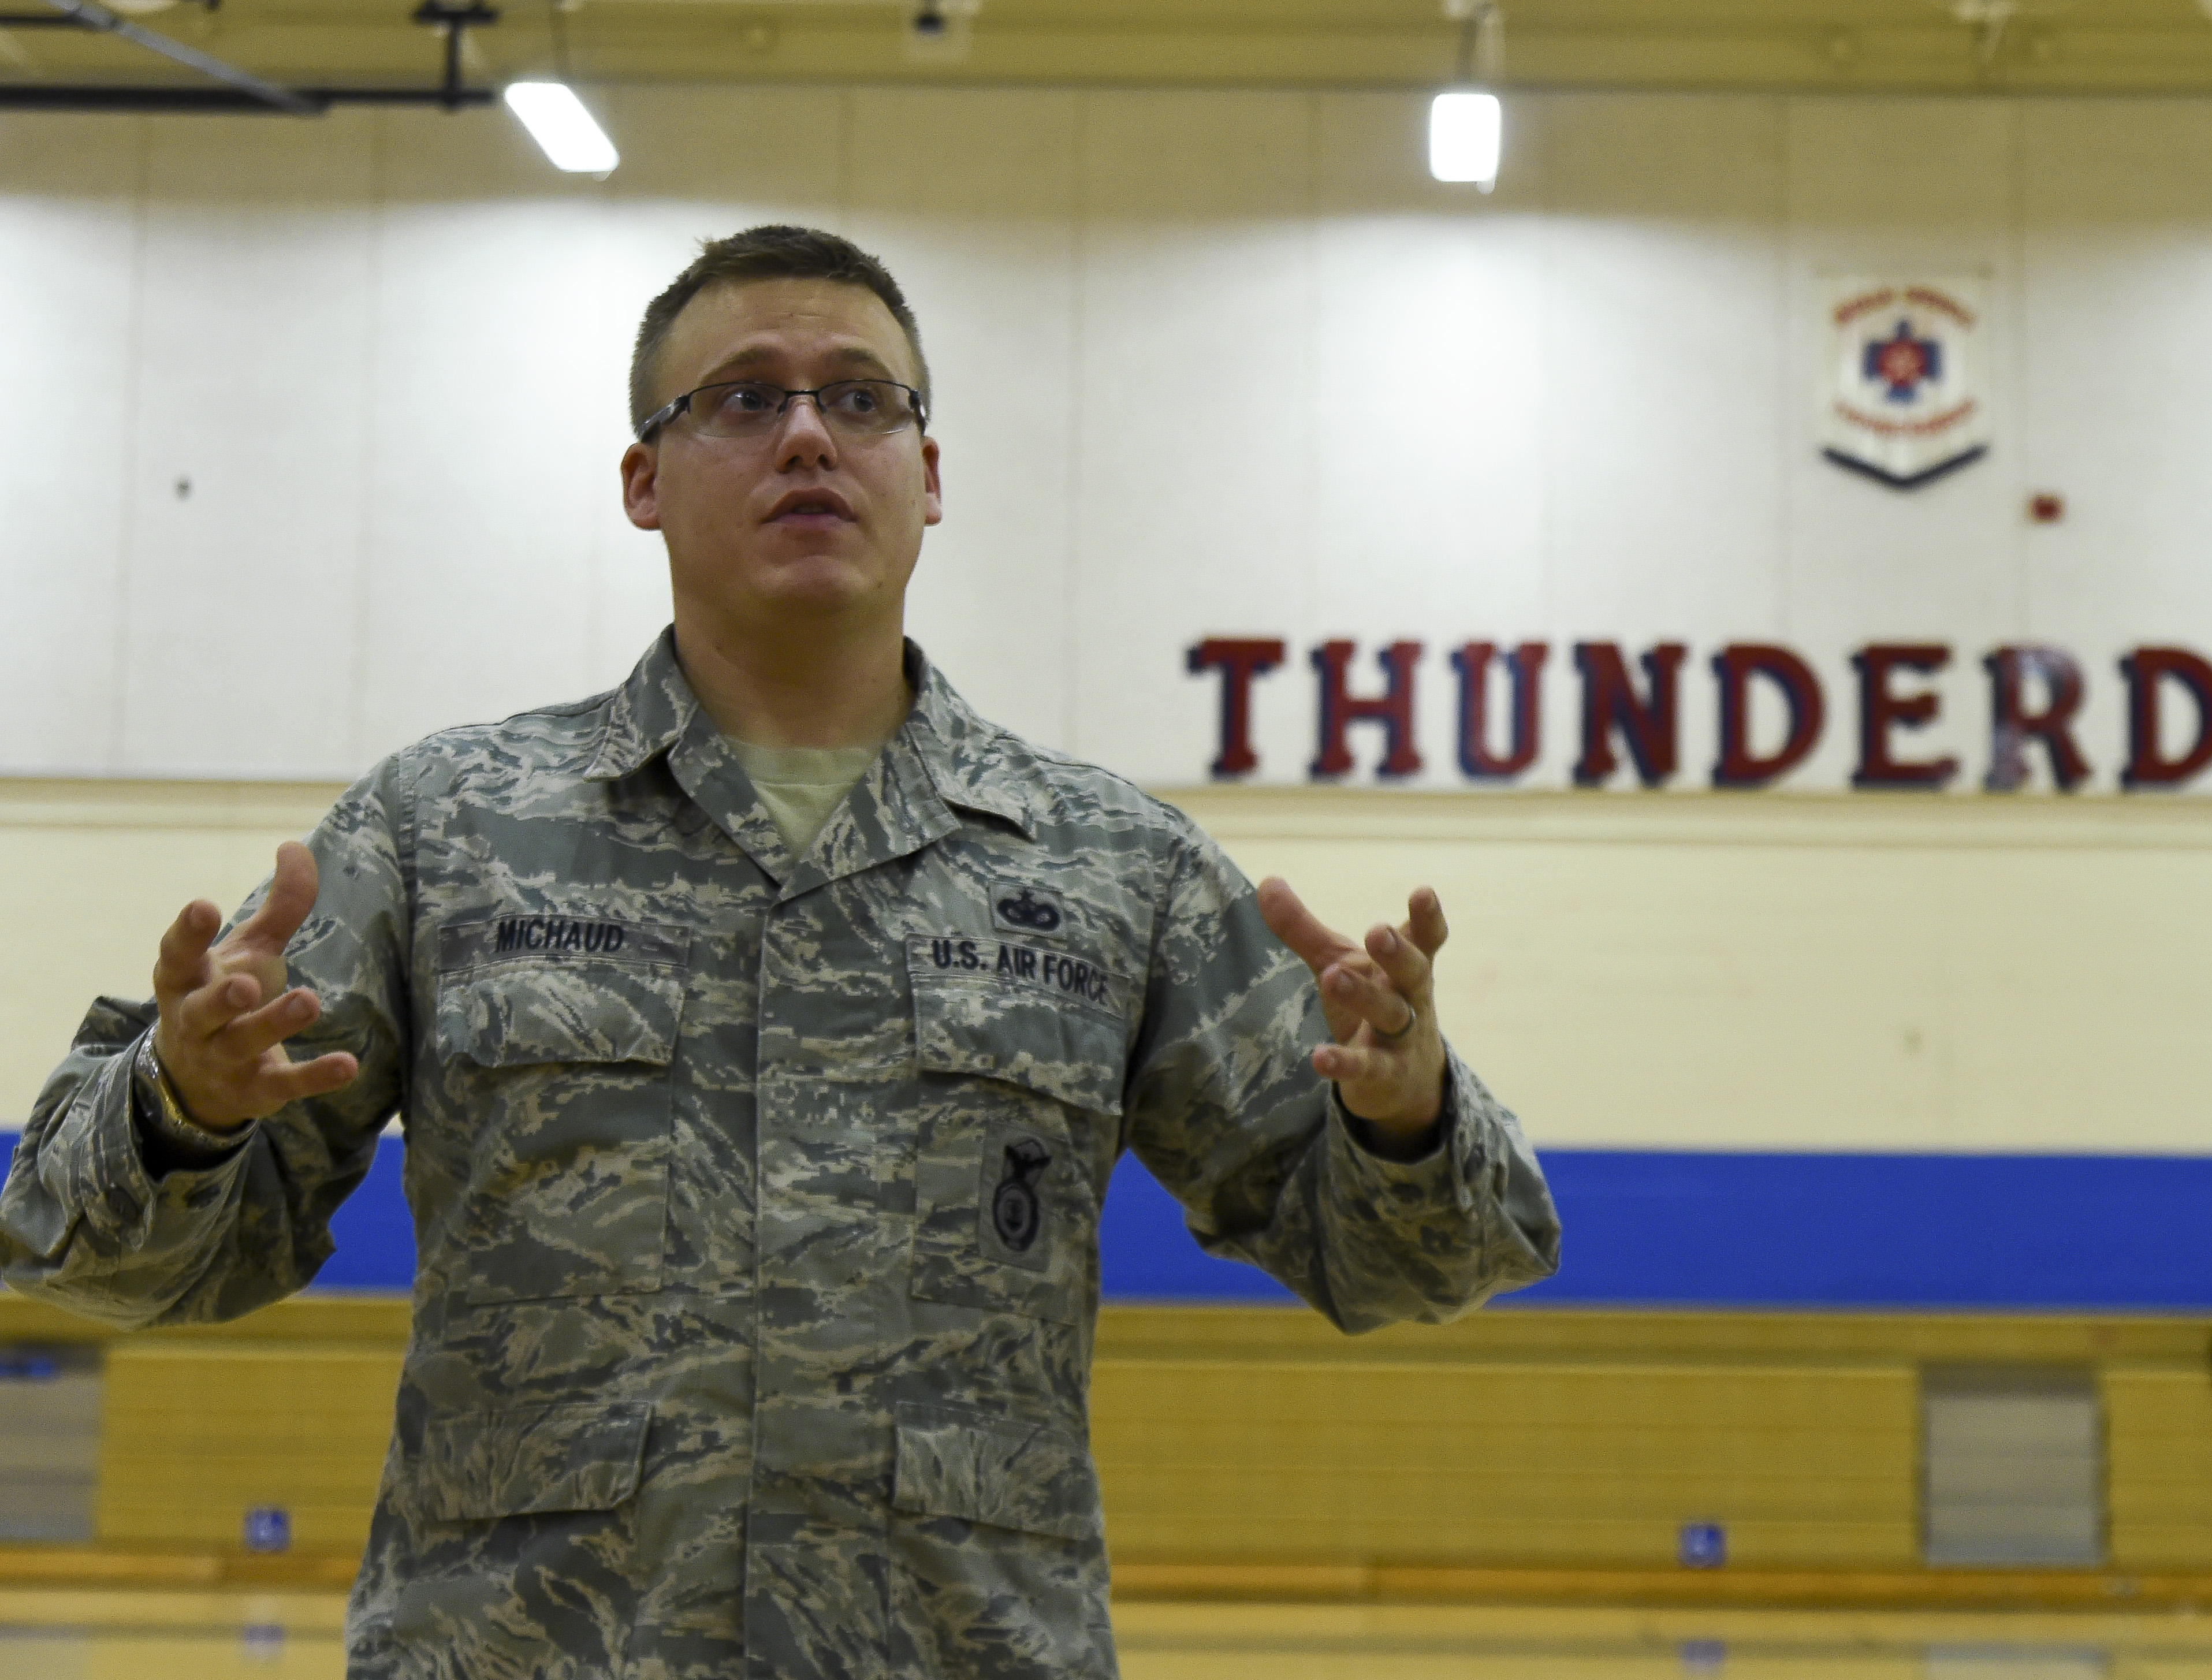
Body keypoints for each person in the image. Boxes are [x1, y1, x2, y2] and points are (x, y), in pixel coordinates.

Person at [0, 225, 1561, 1679]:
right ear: (643, 479)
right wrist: (182, 1109)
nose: (808, 435)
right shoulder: (445, 830)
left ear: (928, 475)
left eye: (861, 400)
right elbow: (93, 1259)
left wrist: (1404, 1119)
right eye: (745, 399)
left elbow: (1417, 1265)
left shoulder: (1109, 869)